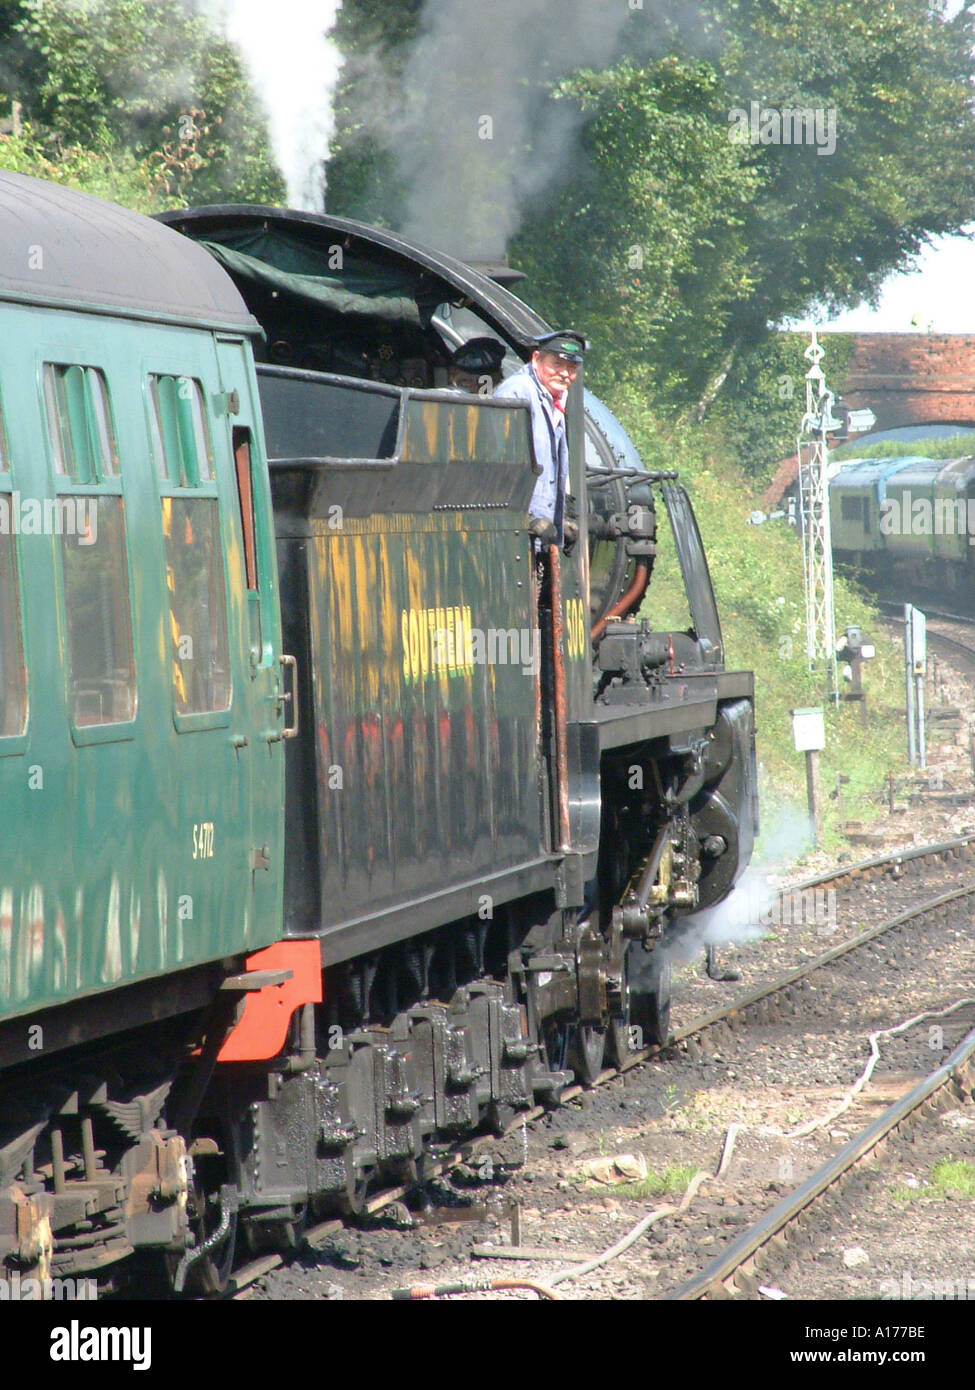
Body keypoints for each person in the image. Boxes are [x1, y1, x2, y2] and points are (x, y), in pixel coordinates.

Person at [494, 330, 587, 549]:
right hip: (513, 536)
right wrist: (526, 518)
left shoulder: (554, 398)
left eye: (571, 368)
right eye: (557, 364)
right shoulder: (517, 392)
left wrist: (561, 515)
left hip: (538, 535)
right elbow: (499, 463)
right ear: (536, 359)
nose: (565, 374)